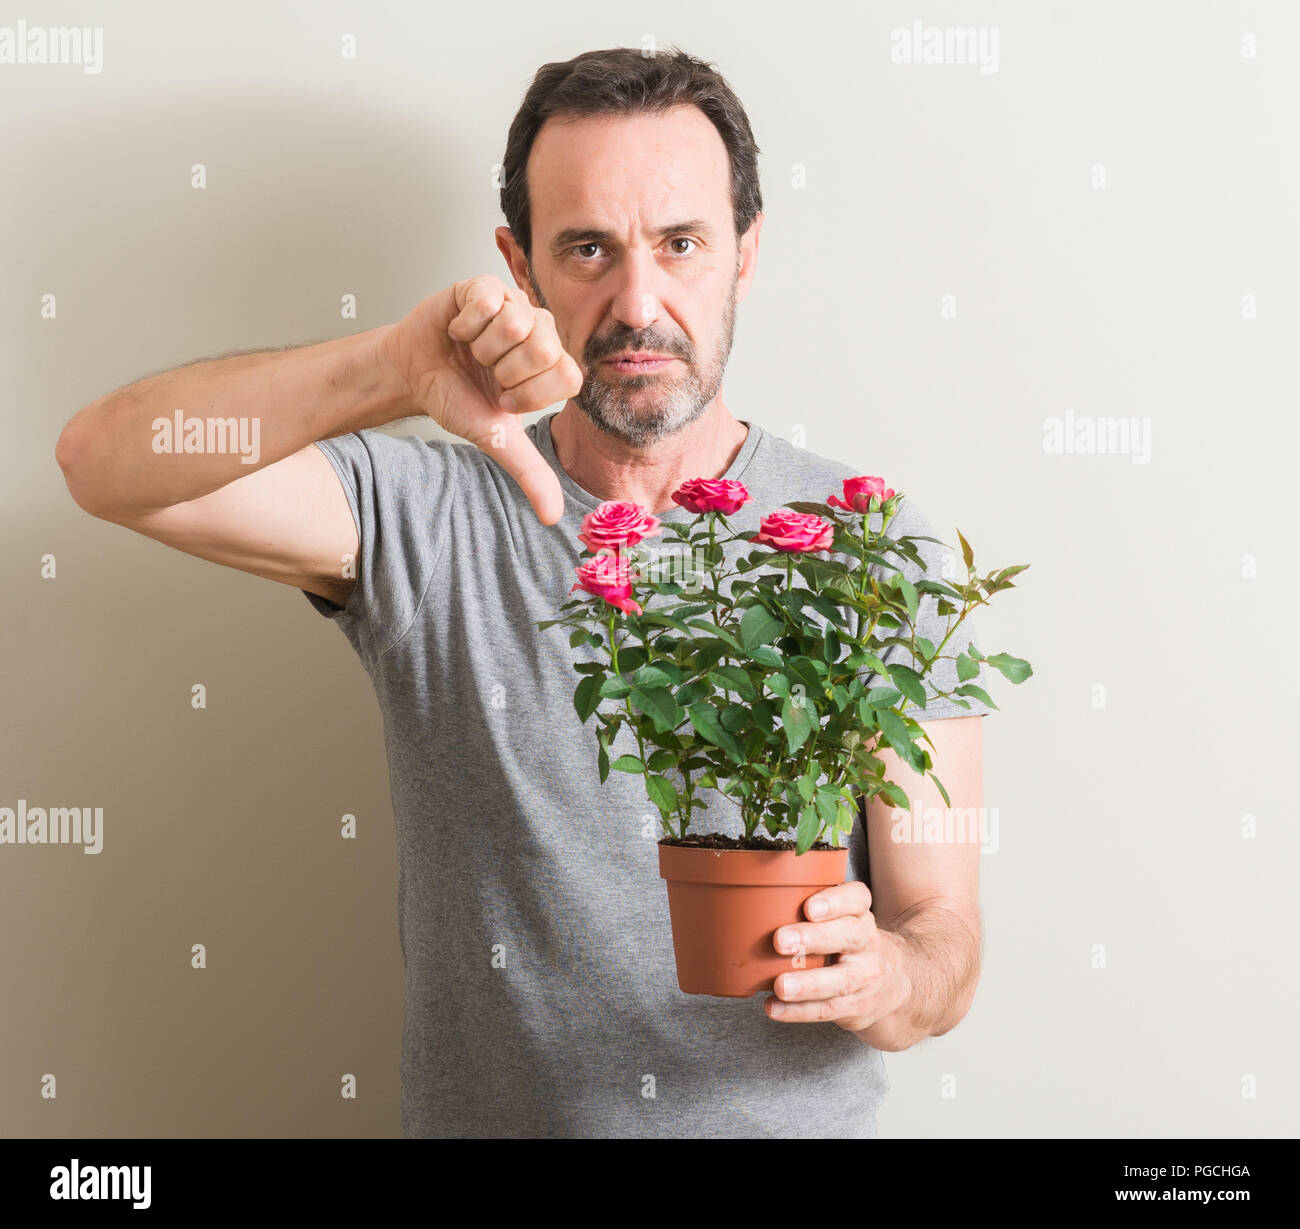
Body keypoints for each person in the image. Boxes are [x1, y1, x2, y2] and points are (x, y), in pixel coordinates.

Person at [55, 46, 989, 1139]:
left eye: (681, 243)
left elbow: (945, 937)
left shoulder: (872, 550)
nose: (637, 302)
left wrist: (888, 975)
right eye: (588, 248)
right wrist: (393, 367)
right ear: (522, 264)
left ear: (744, 250)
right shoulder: (427, 512)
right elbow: (103, 461)